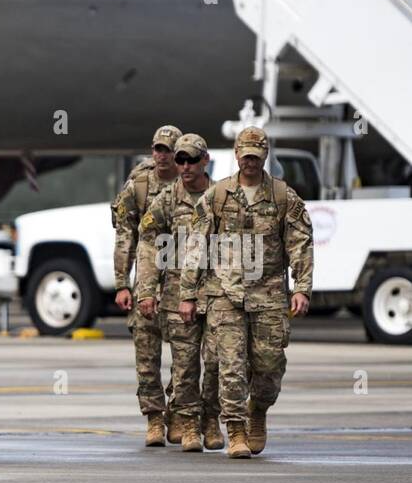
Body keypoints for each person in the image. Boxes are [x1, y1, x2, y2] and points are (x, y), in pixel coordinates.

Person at [179, 126, 313, 458]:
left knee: (269, 367)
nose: (250, 162)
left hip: (268, 296)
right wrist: (188, 293)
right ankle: (235, 431)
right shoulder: (218, 195)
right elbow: (197, 245)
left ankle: (258, 411)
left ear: (264, 156)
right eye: (245, 156)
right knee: (230, 364)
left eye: (256, 157)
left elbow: (300, 246)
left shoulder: (283, 197)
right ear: (237, 156)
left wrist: (303, 288)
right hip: (225, 294)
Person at [136, 133, 221, 451]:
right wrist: (146, 290)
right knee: (185, 365)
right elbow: (147, 244)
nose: (184, 166)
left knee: (215, 364)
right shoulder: (167, 200)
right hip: (176, 297)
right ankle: (187, 425)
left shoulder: (221, 196)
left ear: (205, 161)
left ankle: (211, 420)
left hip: (217, 295)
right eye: (180, 160)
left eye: (191, 160)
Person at [112, 125, 181, 447]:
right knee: (146, 355)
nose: (161, 155)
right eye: (157, 149)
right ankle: (154, 417)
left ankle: (180, 413)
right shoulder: (139, 187)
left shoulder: (191, 185)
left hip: (185, 284)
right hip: (148, 283)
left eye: (167, 150)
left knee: (187, 356)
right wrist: (121, 284)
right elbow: (125, 237)